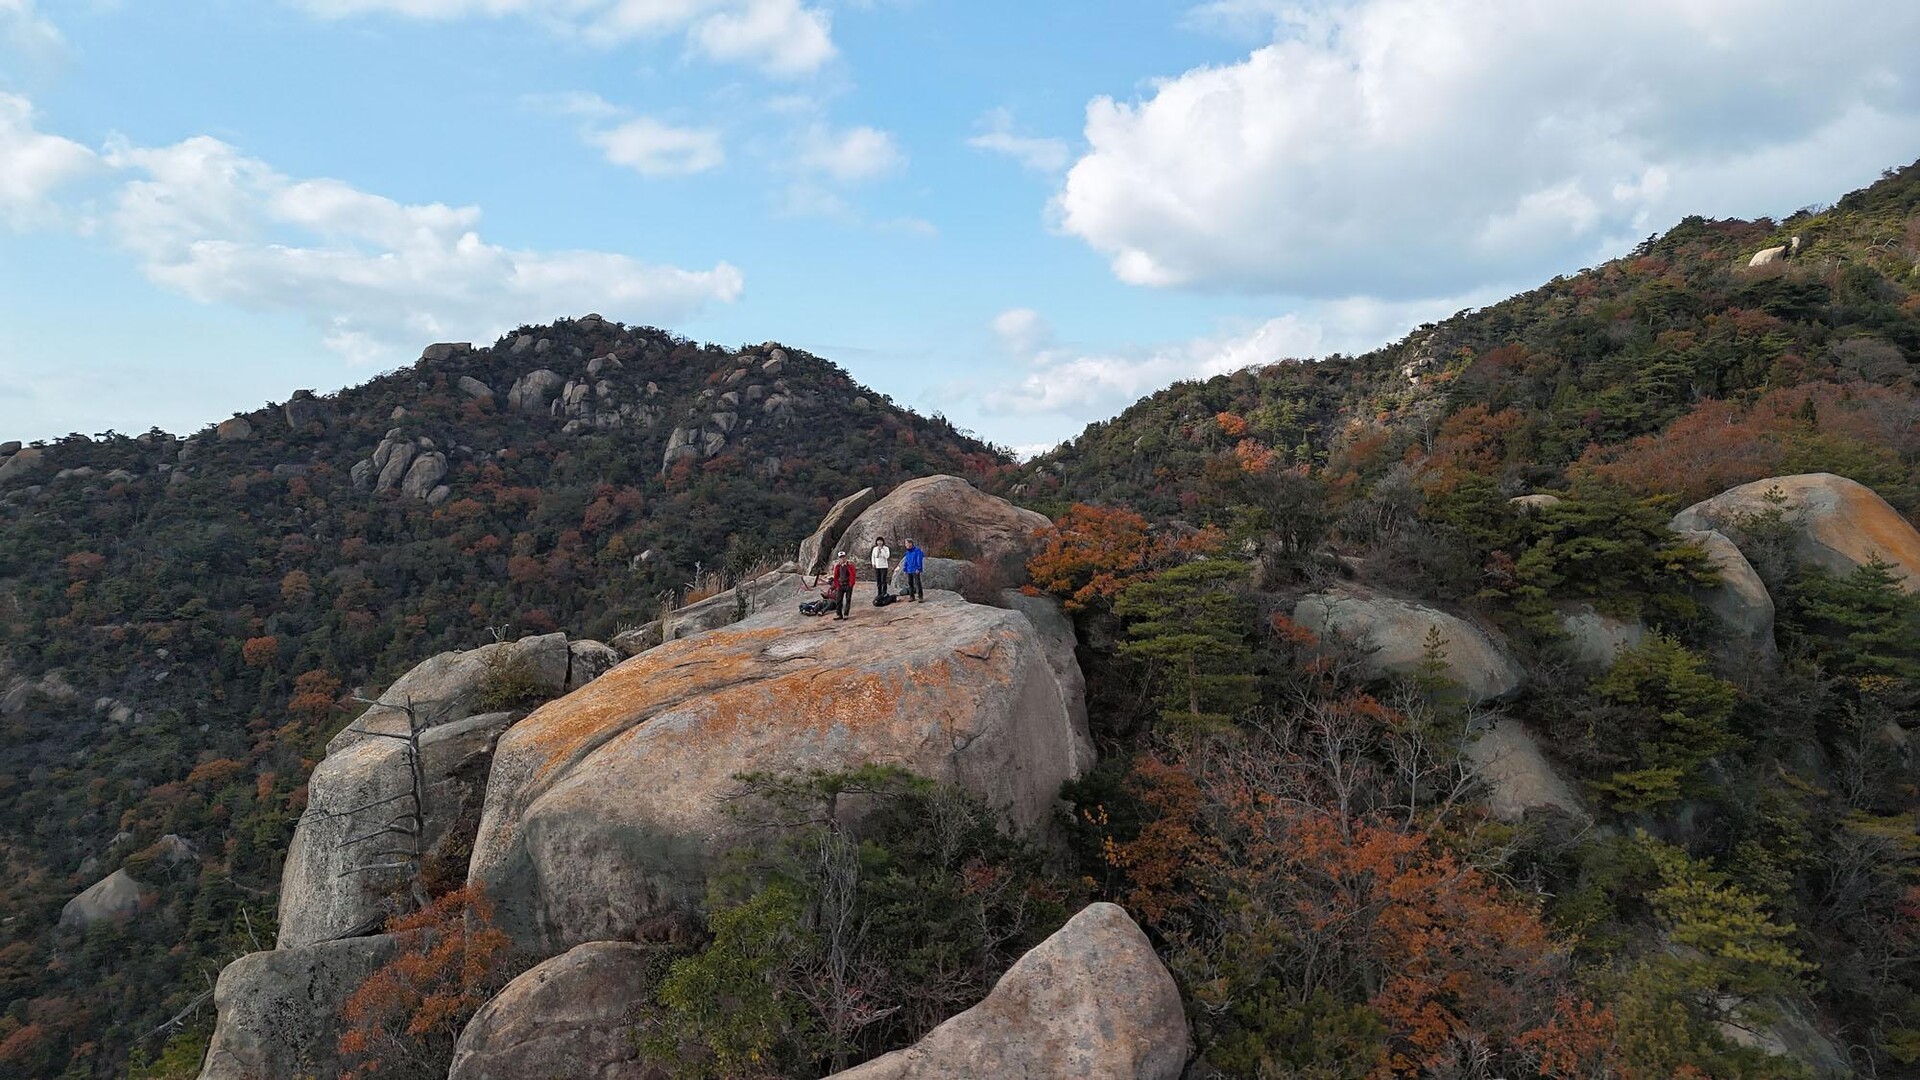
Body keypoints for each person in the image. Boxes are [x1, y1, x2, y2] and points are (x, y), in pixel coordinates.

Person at [831, 551, 857, 620]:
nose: (842, 559)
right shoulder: (837, 566)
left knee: (848, 600)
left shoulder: (850, 565)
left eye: (843, 557)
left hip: (848, 585)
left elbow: (853, 575)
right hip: (840, 585)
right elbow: (836, 576)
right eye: (841, 558)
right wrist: (837, 585)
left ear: (845, 557)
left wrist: (851, 584)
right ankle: (839, 614)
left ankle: (846, 614)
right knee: (838, 600)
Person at [899, 538, 925, 602]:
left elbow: (919, 560)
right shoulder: (907, 552)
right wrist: (905, 568)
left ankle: (920, 597)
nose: (906, 545)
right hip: (909, 569)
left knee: (918, 583)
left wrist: (918, 568)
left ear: (910, 543)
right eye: (905, 543)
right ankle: (912, 597)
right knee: (910, 583)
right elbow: (906, 561)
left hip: (915, 570)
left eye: (906, 543)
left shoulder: (917, 551)